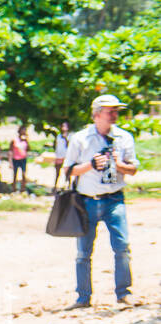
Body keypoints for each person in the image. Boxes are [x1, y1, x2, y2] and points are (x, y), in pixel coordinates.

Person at [64, 94, 137, 308]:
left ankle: (124, 292)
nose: (114, 115)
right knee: (83, 252)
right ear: (96, 115)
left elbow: (133, 169)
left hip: (114, 199)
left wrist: (119, 164)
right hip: (87, 200)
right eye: (110, 111)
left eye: (116, 111)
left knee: (122, 246)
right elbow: (68, 170)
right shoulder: (81, 138)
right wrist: (90, 165)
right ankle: (83, 297)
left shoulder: (124, 137)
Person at [10, 124, 29, 193]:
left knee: (24, 174)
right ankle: (14, 189)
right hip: (15, 159)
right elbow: (10, 151)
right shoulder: (14, 140)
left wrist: (27, 140)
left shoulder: (25, 141)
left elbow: (28, 149)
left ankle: (22, 189)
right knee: (15, 175)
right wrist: (10, 162)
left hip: (23, 159)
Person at [53, 121, 71, 191]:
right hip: (58, 156)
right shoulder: (58, 136)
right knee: (57, 173)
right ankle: (55, 187)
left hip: (66, 157)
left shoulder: (69, 136)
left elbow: (69, 146)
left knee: (67, 173)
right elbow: (55, 146)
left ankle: (68, 187)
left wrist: (65, 138)